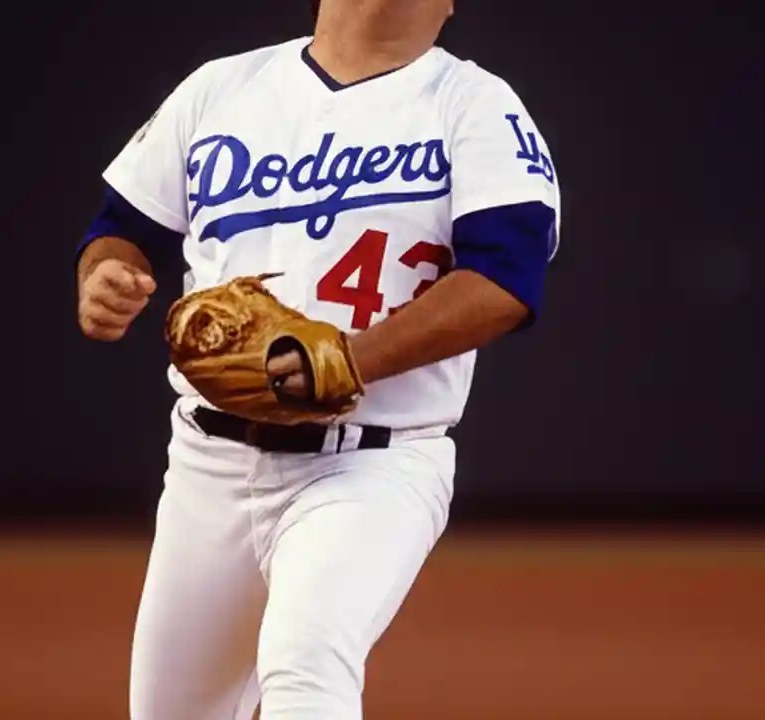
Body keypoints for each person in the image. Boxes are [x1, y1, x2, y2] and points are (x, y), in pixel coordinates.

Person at [74, 1, 560, 717]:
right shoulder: (222, 88)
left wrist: (350, 359)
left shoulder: (475, 106)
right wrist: (103, 276)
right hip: (208, 463)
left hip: (372, 462)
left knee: (306, 664)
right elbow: (119, 228)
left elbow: (505, 282)